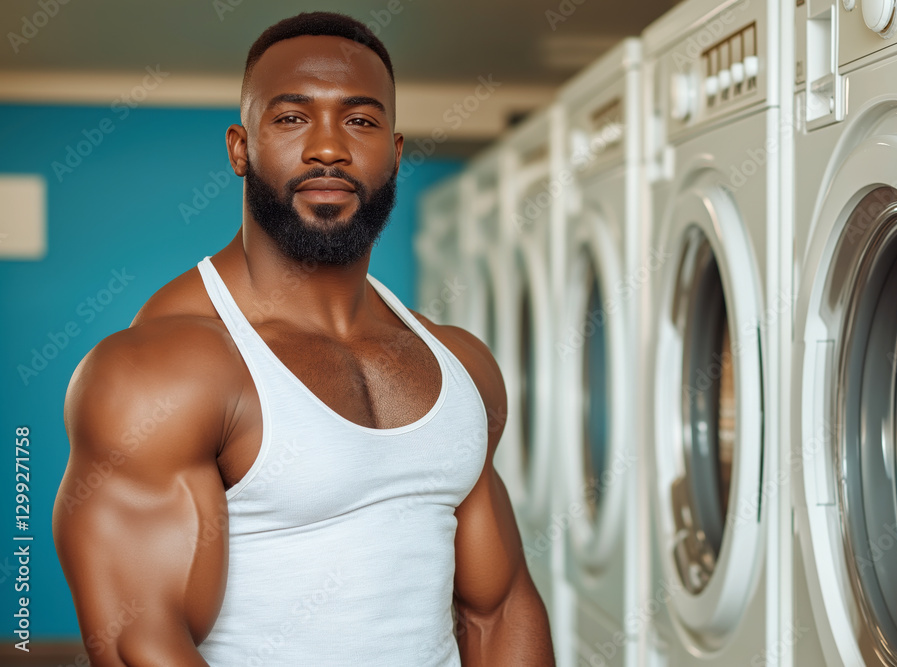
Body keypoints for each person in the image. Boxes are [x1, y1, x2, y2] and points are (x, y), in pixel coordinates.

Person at [53, 11, 554, 666]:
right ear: (240, 148)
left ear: (396, 152)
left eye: (360, 120)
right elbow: (139, 642)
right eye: (291, 118)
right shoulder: (162, 368)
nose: (328, 147)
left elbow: (501, 606)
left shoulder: (460, 364)